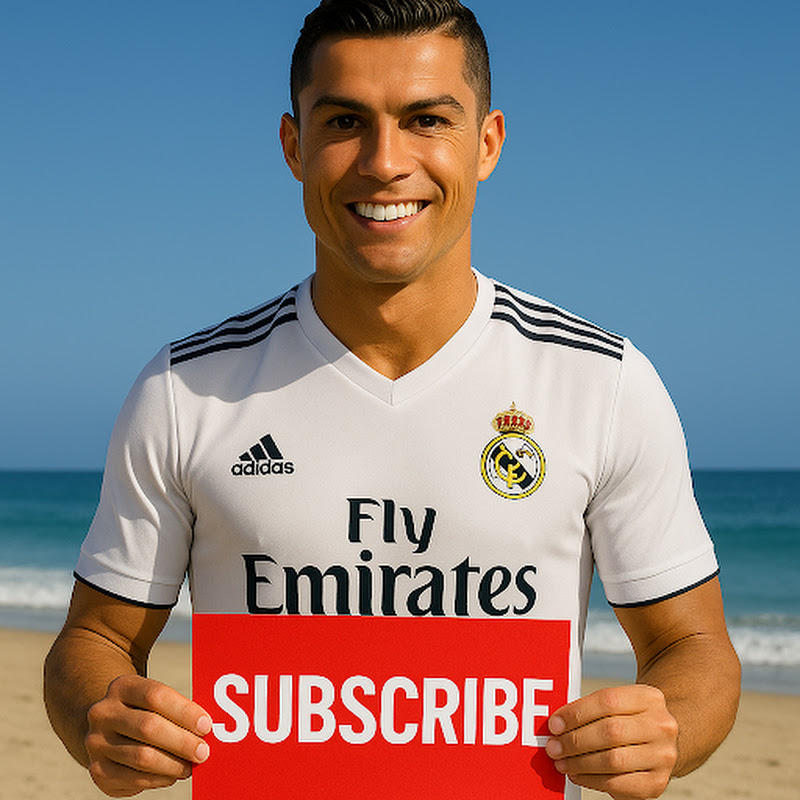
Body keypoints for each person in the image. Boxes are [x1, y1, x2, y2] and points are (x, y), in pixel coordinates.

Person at [44, 1, 740, 798]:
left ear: (487, 143)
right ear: (294, 146)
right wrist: (104, 712)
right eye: (344, 122)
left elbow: (694, 647)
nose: (384, 162)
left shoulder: (601, 383)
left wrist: (665, 727)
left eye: (426, 120)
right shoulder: (185, 390)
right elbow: (95, 637)